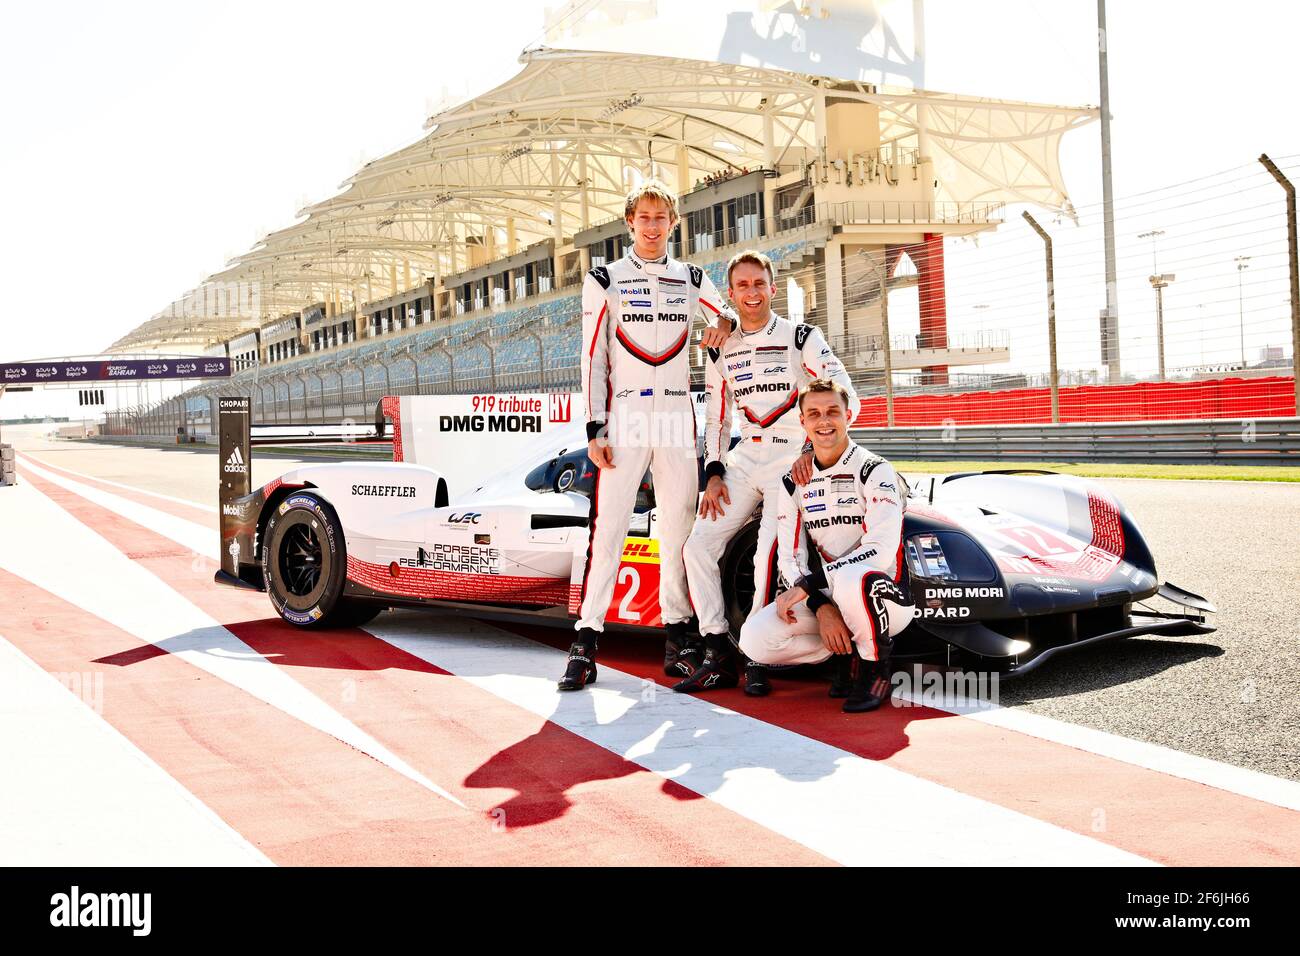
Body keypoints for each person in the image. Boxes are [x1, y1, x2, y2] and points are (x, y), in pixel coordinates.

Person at [558, 181, 734, 691]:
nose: (653, 226)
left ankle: (677, 637)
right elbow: (592, 358)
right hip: (626, 417)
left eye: (662, 218)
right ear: (629, 223)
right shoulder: (603, 279)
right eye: (645, 217)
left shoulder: (692, 276)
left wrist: (720, 323)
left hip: (679, 419)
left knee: (677, 533)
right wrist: (594, 426)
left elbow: (724, 315)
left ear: (674, 224)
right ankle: (585, 641)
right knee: (609, 530)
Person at [676, 251, 859, 696]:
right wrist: (714, 471)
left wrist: (814, 451)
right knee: (697, 546)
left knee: (766, 559)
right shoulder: (720, 347)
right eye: (742, 286)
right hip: (743, 460)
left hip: (791, 459)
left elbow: (846, 396)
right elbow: (716, 418)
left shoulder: (801, 337)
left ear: (773, 288)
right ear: (732, 293)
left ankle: (754, 656)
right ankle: (716, 648)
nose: (752, 292)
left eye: (759, 283)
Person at [739, 379, 912, 712]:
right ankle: (842, 653)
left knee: (852, 579)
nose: (824, 420)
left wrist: (808, 587)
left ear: (848, 415)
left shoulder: (875, 470)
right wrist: (820, 606)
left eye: (833, 411)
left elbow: (881, 551)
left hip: (888, 597)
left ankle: (874, 668)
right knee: (754, 639)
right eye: (814, 414)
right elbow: (790, 559)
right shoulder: (793, 481)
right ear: (802, 422)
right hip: (831, 595)